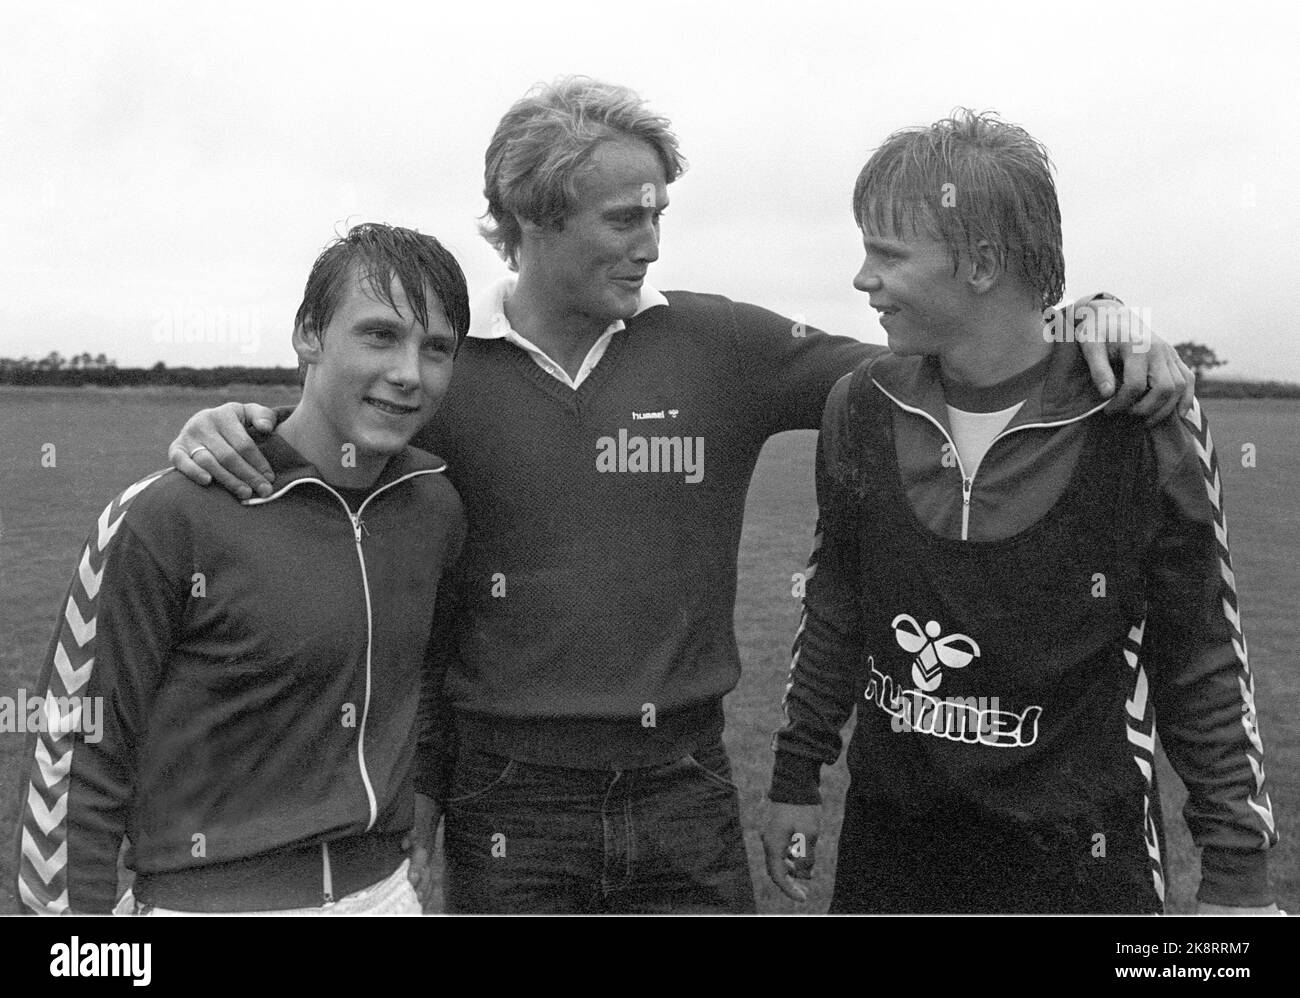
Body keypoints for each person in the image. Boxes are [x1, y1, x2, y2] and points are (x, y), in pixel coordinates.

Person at [166, 79, 1194, 914]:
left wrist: (1086, 321)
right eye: (624, 217)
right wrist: (233, 419)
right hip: (505, 798)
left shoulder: (724, 345)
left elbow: (956, 354)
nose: (652, 240)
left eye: (661, 212)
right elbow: (330, 437)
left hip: (686, 791)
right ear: (526, 219)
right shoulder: (442, 371)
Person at [762, 110, 1277, 914]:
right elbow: (834, 601)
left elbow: (1204, 658)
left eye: (887, 255)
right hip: (890, 847)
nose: (863, 279)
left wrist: (1238, 878)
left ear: (982, 264)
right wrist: (798, 775)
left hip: (1081, 860)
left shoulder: (1136, 421)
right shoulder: (860, 404)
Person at [14, 223, 470, 914]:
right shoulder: (166, 518)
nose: (409, 372)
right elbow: (76, 752)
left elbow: (432, 680)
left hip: (383, 893)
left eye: (435, 348)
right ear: (308, 334)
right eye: (380, 335)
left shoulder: (434, 507)